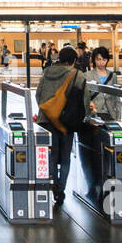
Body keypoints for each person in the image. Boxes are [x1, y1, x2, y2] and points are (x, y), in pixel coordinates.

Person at [36, 46, 82, 205]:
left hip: (46, 120)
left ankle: (54, 186)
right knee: (65, 158)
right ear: (74, 61)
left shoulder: (46, 72)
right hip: (66, 123)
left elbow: (38, 95)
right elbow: (85, 99)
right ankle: (60, 190)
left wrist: (49, 110)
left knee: (52, 156)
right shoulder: (77, 75)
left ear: (59, 59)